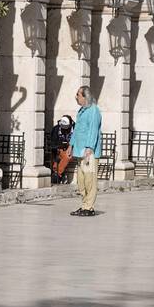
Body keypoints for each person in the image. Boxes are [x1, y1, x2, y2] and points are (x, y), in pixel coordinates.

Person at [68, 85, 101, 217]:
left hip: (89, 152)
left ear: (84, 96)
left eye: (78, 95)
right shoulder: (81, 111)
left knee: (89, 180)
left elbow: (93, 130)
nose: (76, 97)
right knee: (81, 181)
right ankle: (84, 205)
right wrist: (71, 145)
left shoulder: (94, 110)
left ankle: (89, 207)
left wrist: (89, 148)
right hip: (79, 151)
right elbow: (76, 130)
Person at [49, 115, 74, 184]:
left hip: (71, 149)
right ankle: (58, 174)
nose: (65, 129)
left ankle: (57, 173)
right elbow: (53, 142)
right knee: (58, 157)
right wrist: (60, 145)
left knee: (67, 156)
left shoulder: (75, 128)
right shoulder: (56, 129)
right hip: (59, 149)